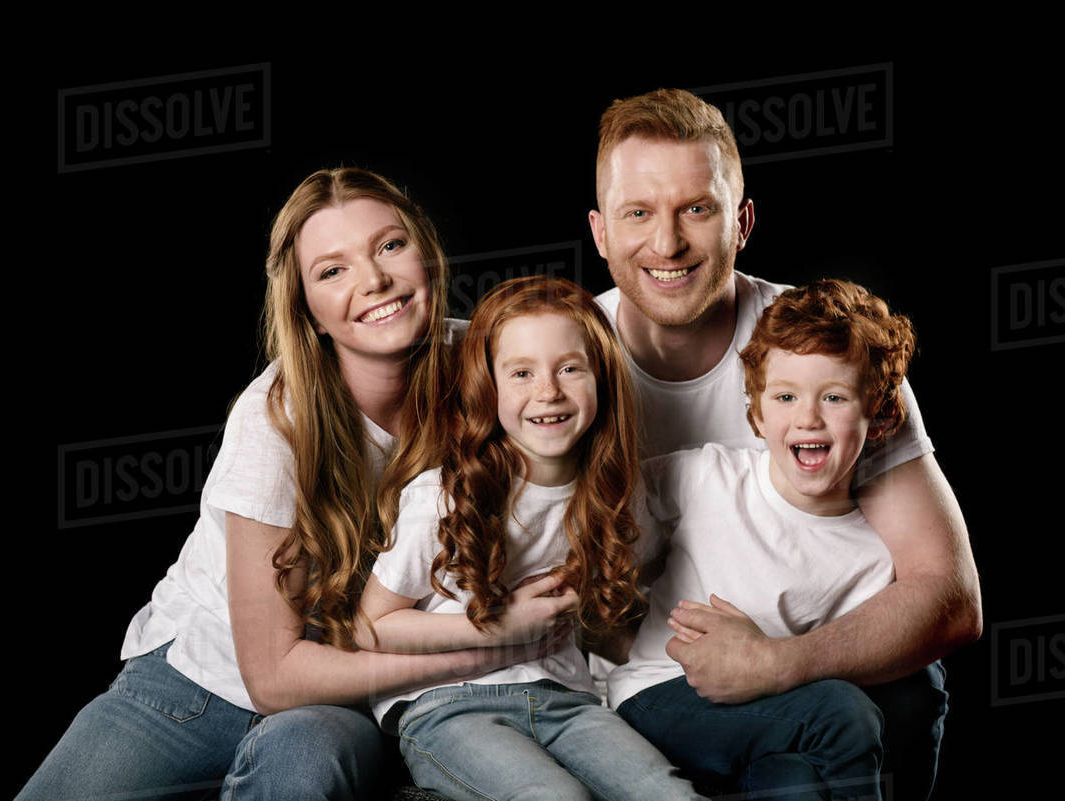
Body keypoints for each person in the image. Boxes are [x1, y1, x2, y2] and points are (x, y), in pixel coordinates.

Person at [15, 168, 563, 801]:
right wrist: (490, 650)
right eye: (332, 271)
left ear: (428, 256)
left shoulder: (496, 366)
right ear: (310, 313)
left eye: (390, 245)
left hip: (342, 698)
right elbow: (272, 676)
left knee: (303, 757)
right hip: (199, 687)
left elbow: (597, 377)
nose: (374, 279)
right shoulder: (274, 420)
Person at [585, 88, 983, 799]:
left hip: (811, 665)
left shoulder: (821, 344)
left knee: (903, 693)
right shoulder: (564, 363)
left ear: (741, 222)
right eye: (637, 213)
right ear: (600, 233)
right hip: (655, 682)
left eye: (696, 209)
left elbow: (949, 594)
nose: (667, 243)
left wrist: (776, 664)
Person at [354, 276, 705, 801]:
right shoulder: (442, 497)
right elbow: (372, 627)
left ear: (602, 377)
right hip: (449, 704)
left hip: (566, 698)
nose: (548, 391)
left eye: (570, 368)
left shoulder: (615, 494)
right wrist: (500, 629)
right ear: (488, 387)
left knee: (669, 795)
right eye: (521, 373)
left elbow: (621, 609)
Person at [613, 279, 919, 800]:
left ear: (882, 416)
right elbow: (599, 509)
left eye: (834, 397)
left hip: (768, 715)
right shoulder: (706, 477)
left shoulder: (876, 555)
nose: (808, 417)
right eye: (785, 397)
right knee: (843, 714)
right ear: (756, 414)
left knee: (793, 779)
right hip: (660, 696)